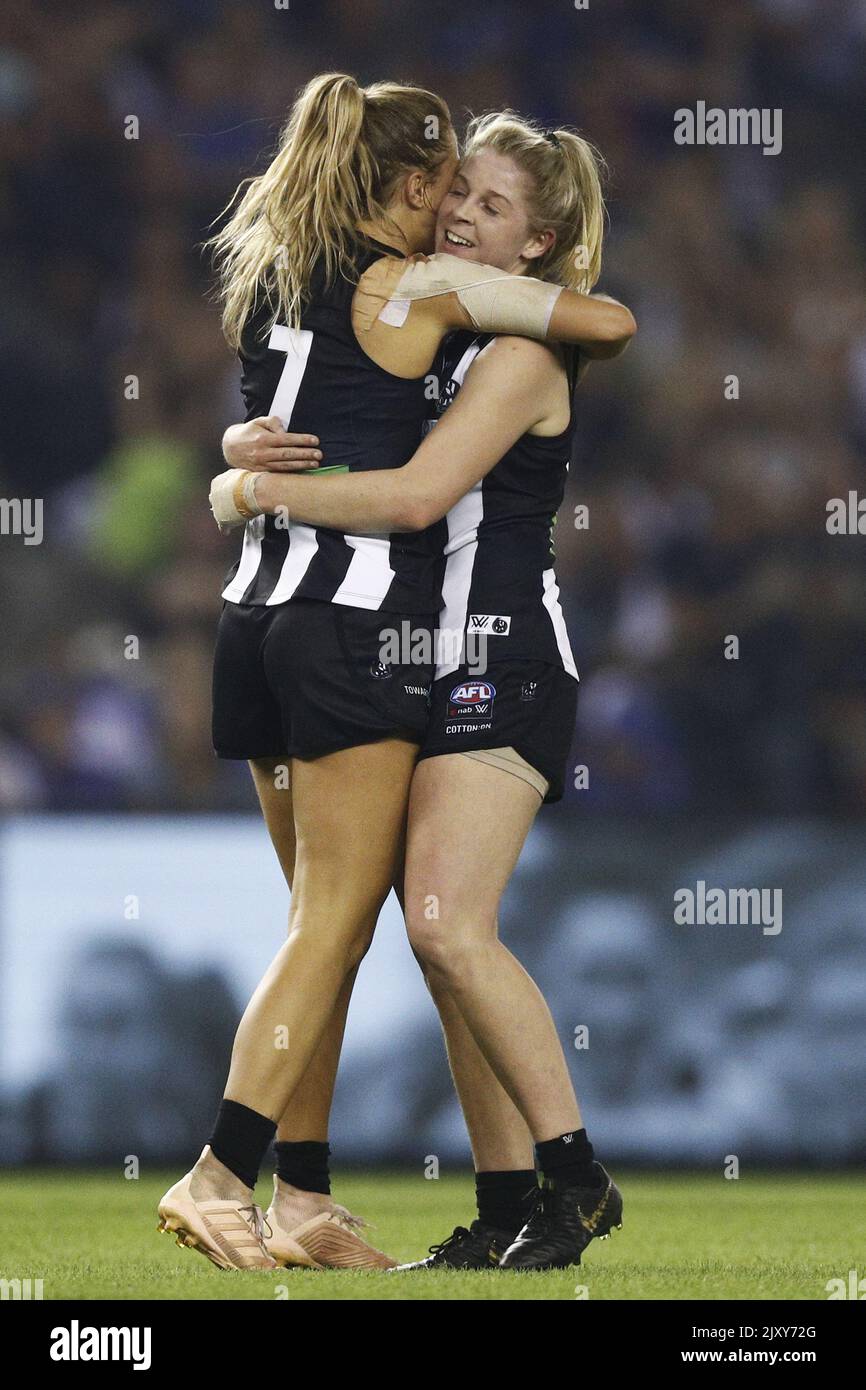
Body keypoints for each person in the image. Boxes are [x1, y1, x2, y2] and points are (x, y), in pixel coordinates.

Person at [158, 74, 634, 1272]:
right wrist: (238, 462)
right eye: (453, 189)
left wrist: (244, 476)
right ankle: (257, 1180)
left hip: (383, 635)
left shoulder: (292, 271)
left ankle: (352, 1191)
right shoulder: (429, 298)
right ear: (414, 186)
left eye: (489, 200)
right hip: (360, 632)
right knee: (365, 928)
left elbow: (590, 335)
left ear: (537, 237)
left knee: (395, 927)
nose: (459, 217)